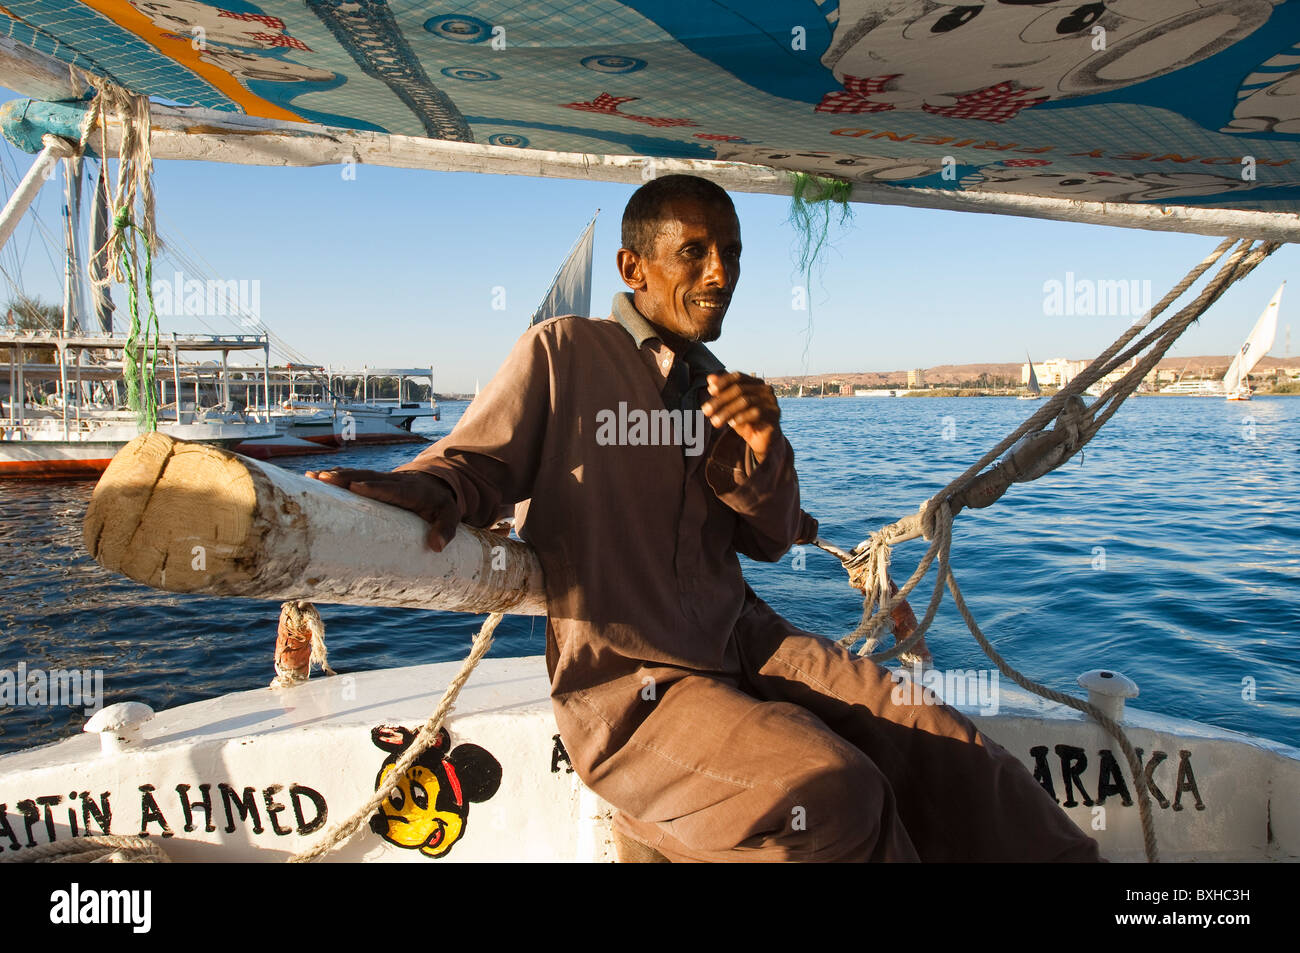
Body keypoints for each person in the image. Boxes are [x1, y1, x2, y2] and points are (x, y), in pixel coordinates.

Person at [308, 174, 1101, 862]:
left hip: (745, 637)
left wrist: (763, 442)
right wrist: (425, 489)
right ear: (633, 267)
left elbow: (765, 535)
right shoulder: (564, 353)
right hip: (630, 681)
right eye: (696, 251)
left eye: (733, 253)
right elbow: (476, 466)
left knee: (943, 739)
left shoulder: (721, 386)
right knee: (836, 791)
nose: (722, 272)